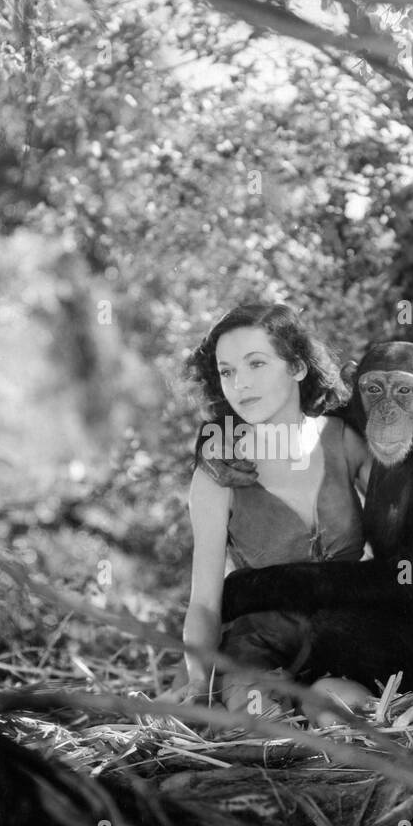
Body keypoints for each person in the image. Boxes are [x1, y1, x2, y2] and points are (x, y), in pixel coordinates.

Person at [164, 302, 374, 718]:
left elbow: (399, 542)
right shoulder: (217, 473)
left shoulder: (345, 442)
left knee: (343, 712)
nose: (240, 383)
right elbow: (205, 602)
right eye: (227, 372)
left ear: (297, 367)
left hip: (347, 636)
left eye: (256, 363)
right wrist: (196, 680)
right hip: (257, 646)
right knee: (267, 726)